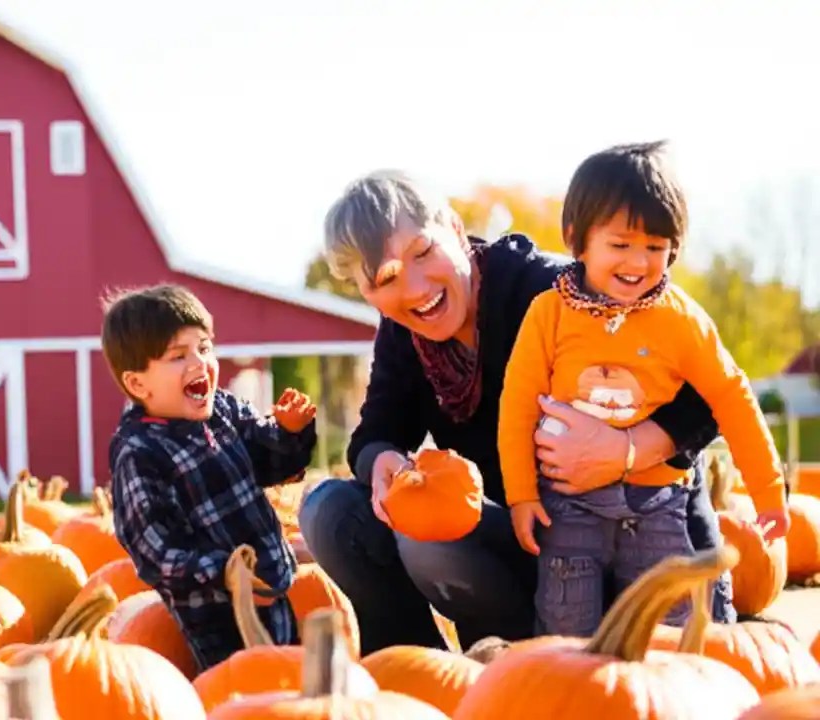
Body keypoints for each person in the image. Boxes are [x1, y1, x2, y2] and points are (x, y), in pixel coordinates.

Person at [297, 167, 729, 655]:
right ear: (365, 291)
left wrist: (625, 450)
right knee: (329, 512)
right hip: (533, 544)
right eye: (387, 277)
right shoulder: (405, 336)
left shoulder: (553, 292)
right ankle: (422, 675)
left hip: (637, 549)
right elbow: (375, 432)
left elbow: (706, 388)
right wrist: (383, 462)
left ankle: (539, 660)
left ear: (456, 232)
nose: (416, 287)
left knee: (431, 542)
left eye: (423, 252)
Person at [497, 141, 789, 637]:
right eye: (620, 244)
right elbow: (518, 405)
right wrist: (521, 495)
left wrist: (767, 490)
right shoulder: (549, 314)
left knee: (671, 628)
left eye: (655, 247)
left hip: (658, 505)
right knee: (567, 630)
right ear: (577, 239)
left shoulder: (681, 319)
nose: (638, 261)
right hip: (570, 504)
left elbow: (732, 396)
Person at [101, 283, 319, 671]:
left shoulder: (223, 410)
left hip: (273, 583)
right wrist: (223, 572)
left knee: (289, 675)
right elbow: (154, 547)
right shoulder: (139, 452)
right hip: (216, 611)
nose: (199, 363)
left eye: (204, 348)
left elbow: (269, 462)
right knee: (241, 685)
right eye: (177, 356)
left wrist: (287, 432)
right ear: (138, 384)